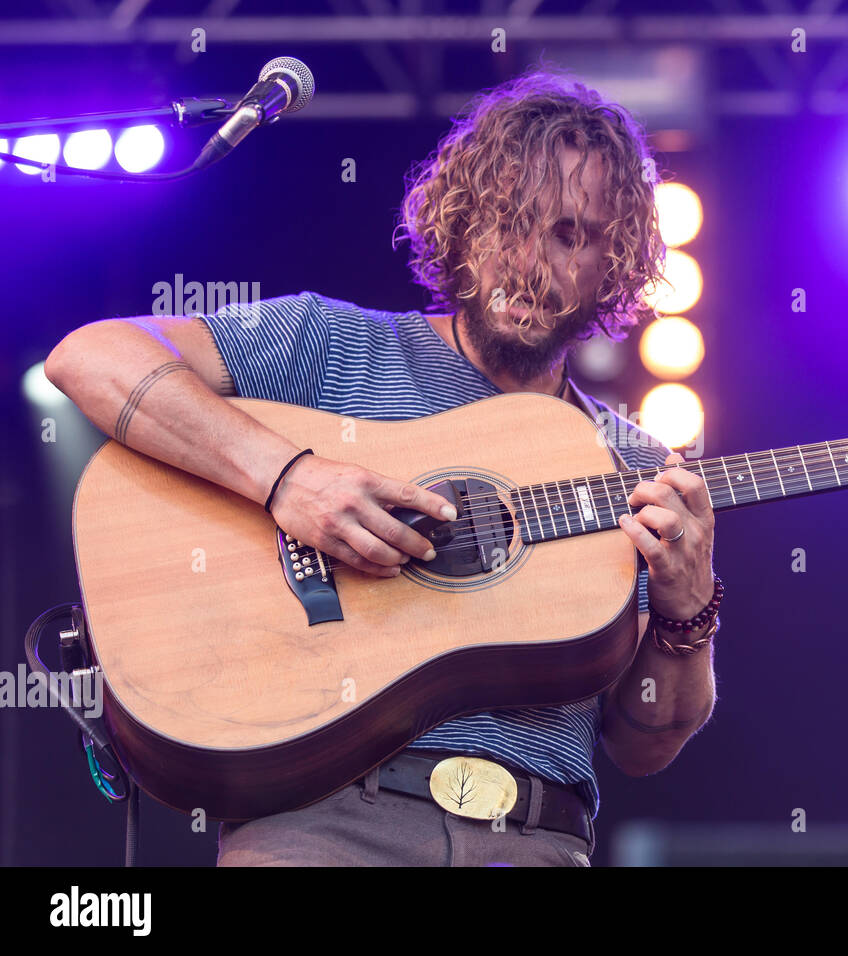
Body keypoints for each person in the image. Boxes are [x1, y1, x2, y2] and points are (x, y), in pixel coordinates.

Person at [44, 70, 723, 867]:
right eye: (513, 222)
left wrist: (688, 613)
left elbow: (645, 745)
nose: (535, 262)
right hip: (318, 822)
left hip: (537, 839)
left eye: (573, 235)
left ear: (617, 262)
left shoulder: (636, 466)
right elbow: (88, 357)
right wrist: (287, 477)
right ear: (464, 223)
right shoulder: (332, 344)